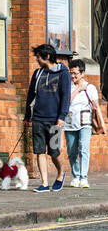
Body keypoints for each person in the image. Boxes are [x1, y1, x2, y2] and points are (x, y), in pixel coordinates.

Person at [25, 43, 71, 192]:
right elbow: (31, 96)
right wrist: (27, 116)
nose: (37, 59)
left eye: (38, 57)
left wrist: (62, 117)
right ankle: (44, 183)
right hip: (38, 118)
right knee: (39, 151)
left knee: (54, 151)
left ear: (48, 57)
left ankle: (60, 173)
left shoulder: (63, 73)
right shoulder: (37, 74)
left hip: (54, 119)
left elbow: (66, 96)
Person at [63, 58, 103, 187]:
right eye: (71, 73)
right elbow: (65, 103)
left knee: (84, 149)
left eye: (75, 73)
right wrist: (78, 89)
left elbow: (96, 106)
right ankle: (76, 176)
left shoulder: (90, 88)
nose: (73, 76)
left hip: (85, 123)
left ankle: (83, 177)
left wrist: (101, 122)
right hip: (69, 123)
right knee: (72, 151)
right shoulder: (67, 87)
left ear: (82, 73)